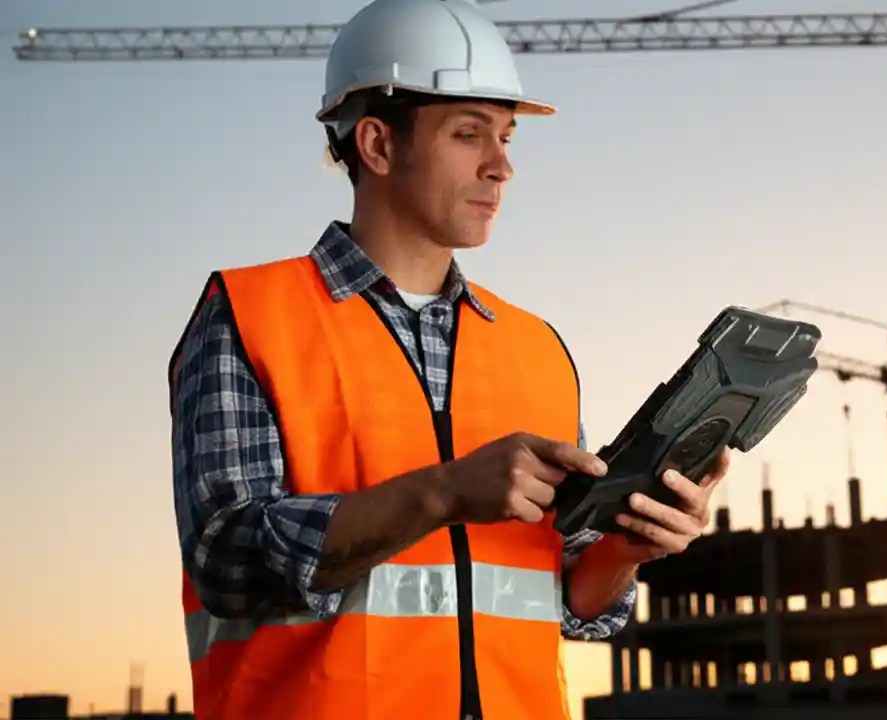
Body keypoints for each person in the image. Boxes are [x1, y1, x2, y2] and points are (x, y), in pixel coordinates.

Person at [166, 1, 731, 719]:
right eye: (469, 134)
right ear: (376, 144)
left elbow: (571, 597)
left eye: (506, 136)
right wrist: (442, 493)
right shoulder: (248, 315)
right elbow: (226, 558)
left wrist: (627, 547)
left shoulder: (535, 348)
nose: (502, 167)